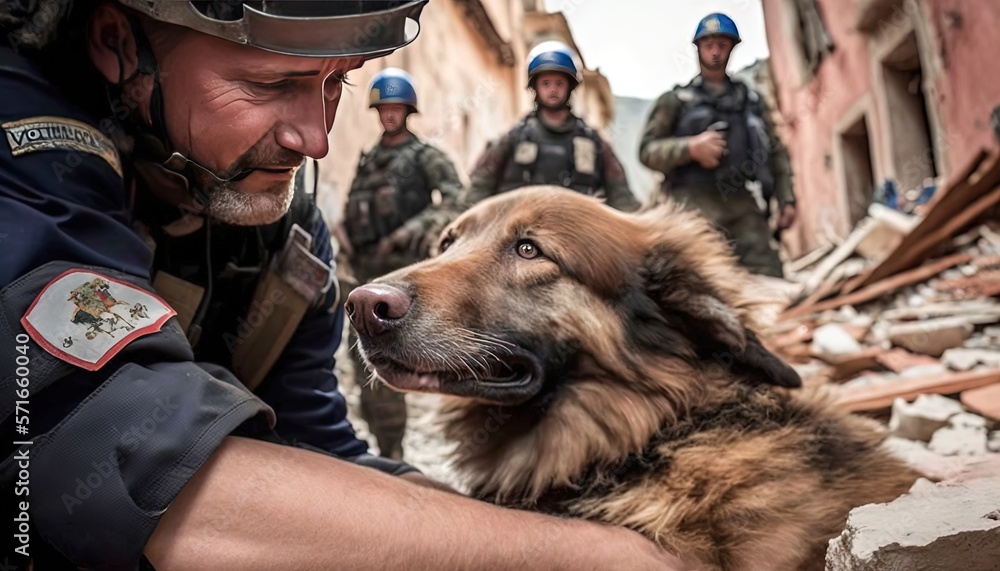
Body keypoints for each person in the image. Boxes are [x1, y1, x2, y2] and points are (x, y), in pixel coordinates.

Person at [0, 1, 688, 569]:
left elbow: (317, 450)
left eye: (337, 85)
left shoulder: (286, 236)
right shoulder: (23, 146)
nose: (316, 138)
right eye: (272, 84)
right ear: (118, 44)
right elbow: (113, 463)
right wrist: (598, 556)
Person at [339, 67, 462, 460]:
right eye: (383, 108)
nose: (389, 114)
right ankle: (384, 445)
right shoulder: (370, 160)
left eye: (396, 108)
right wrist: (343, 232)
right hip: (362, 268)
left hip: (401, 276)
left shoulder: (425, 157)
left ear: (408, 111)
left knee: (392, 354)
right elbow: (356, 205)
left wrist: (413, 230)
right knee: (362, 359)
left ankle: (395, 447)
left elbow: (456, 199)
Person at [639, 13, 796, 277]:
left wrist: (786, 199)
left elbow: (776, 151)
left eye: (722, 45)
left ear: (732, 48)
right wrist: (690, 148)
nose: (715, 52)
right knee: (695, 278)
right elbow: (647, 151)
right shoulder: (676, 101)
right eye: (709, 45)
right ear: (698, 48)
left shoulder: (751, 101)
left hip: (740, 201)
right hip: (691, 203)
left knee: (768, 274)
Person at [460, 41, 639, 211]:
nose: (553, 90)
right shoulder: (513, 138)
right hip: (517, 227)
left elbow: (621, 196)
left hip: (575, 228)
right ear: (535, 87)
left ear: (570, 87)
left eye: (559, 83)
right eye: (546, 83)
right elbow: (478, 188)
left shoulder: (594, 142)